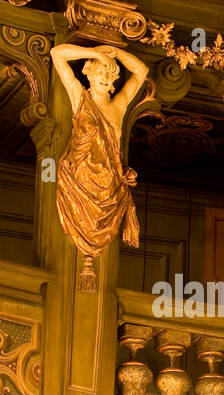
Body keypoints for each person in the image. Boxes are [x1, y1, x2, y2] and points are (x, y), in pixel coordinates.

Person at [51, 45, 148, 292]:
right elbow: (57, 54)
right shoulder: (79, 98)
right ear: (89, 74)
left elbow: (141, 71)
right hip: (80, 183)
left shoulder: (118, 106)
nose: (106, 78)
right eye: (101, 72)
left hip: (110, 188)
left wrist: (115, 54)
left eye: (110, 74)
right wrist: (96, 53)